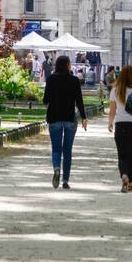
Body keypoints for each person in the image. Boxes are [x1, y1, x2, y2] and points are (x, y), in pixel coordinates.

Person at [43, 54, 88, 190]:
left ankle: (57, 168)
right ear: (68, 65)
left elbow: (45, 100)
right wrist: (84, 118)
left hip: (54, 117)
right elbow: (79, 100)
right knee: (67, 150)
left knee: (56, 149)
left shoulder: (51, 79)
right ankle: (65, 180)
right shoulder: (74, 80)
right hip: (69, 118)